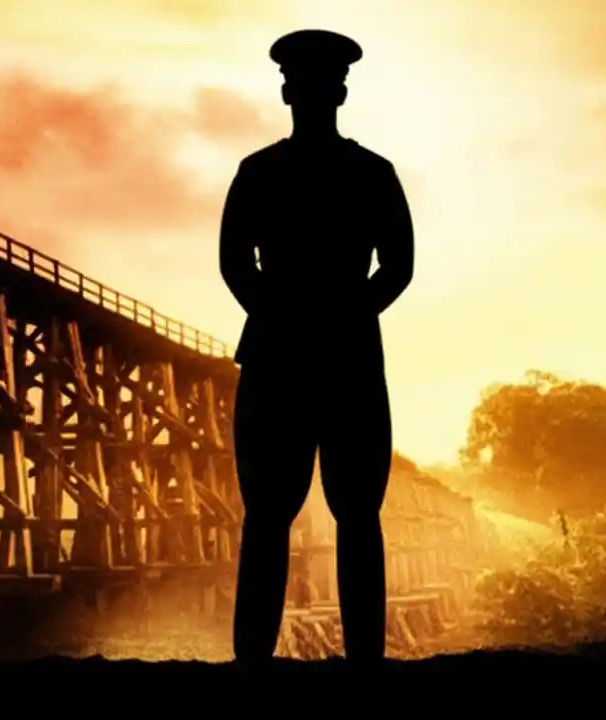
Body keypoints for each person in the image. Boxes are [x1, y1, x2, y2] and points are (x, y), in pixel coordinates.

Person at [219, 28, 415, 663]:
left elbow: (232, 264)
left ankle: (251, 661)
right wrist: (350, 313)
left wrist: (276, 315)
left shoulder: (258, 172)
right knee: (358, 516)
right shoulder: (373, 173)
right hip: (353, 358)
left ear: (286, 90)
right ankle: (366, 663)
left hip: (276, 356)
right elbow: (399, 268)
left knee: (267, 518)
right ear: (341, 89)